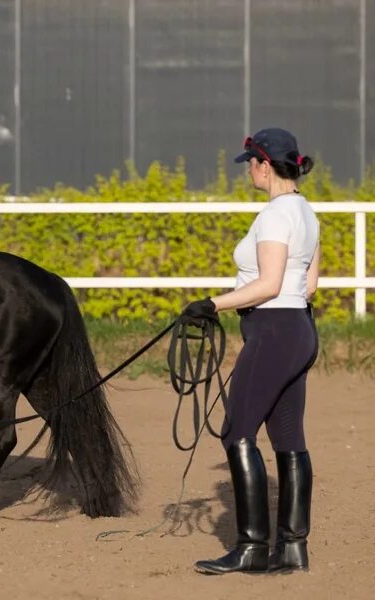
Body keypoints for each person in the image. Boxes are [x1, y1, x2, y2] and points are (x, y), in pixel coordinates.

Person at [183, 128, 320, 575]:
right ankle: (293, 548)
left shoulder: (276, 215)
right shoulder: (305, 213)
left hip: (273, 332)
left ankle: (251, 547)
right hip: (298, 329)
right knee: (288, 440)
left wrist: (212, 304)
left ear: (264, 165)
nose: (249, 174)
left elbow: (269, 285)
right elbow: (308, 285)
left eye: (251, 165)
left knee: (237, 432)